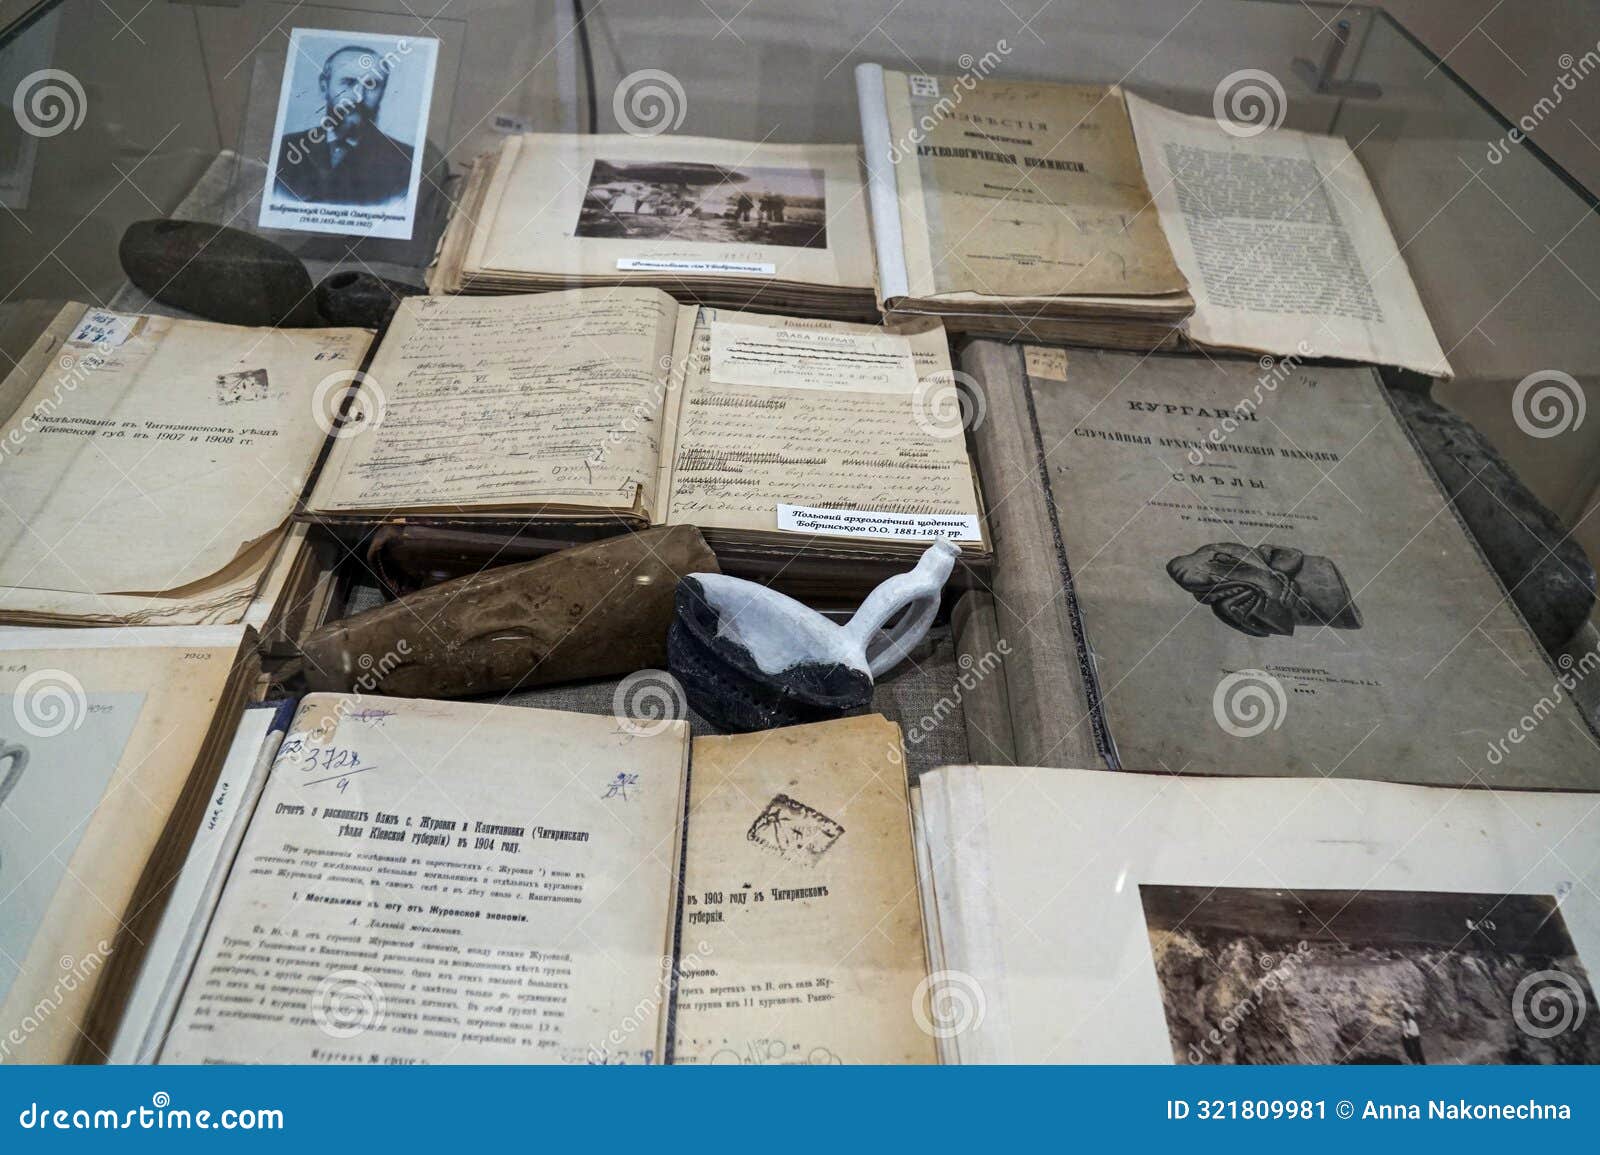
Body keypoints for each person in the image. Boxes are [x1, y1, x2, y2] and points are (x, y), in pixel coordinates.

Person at [273, 44, 415, 206]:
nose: (359, 97)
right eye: (348, 83)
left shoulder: (406, 162)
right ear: (324, 86)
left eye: (371, 85)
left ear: (383, 91)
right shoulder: (284, 148)